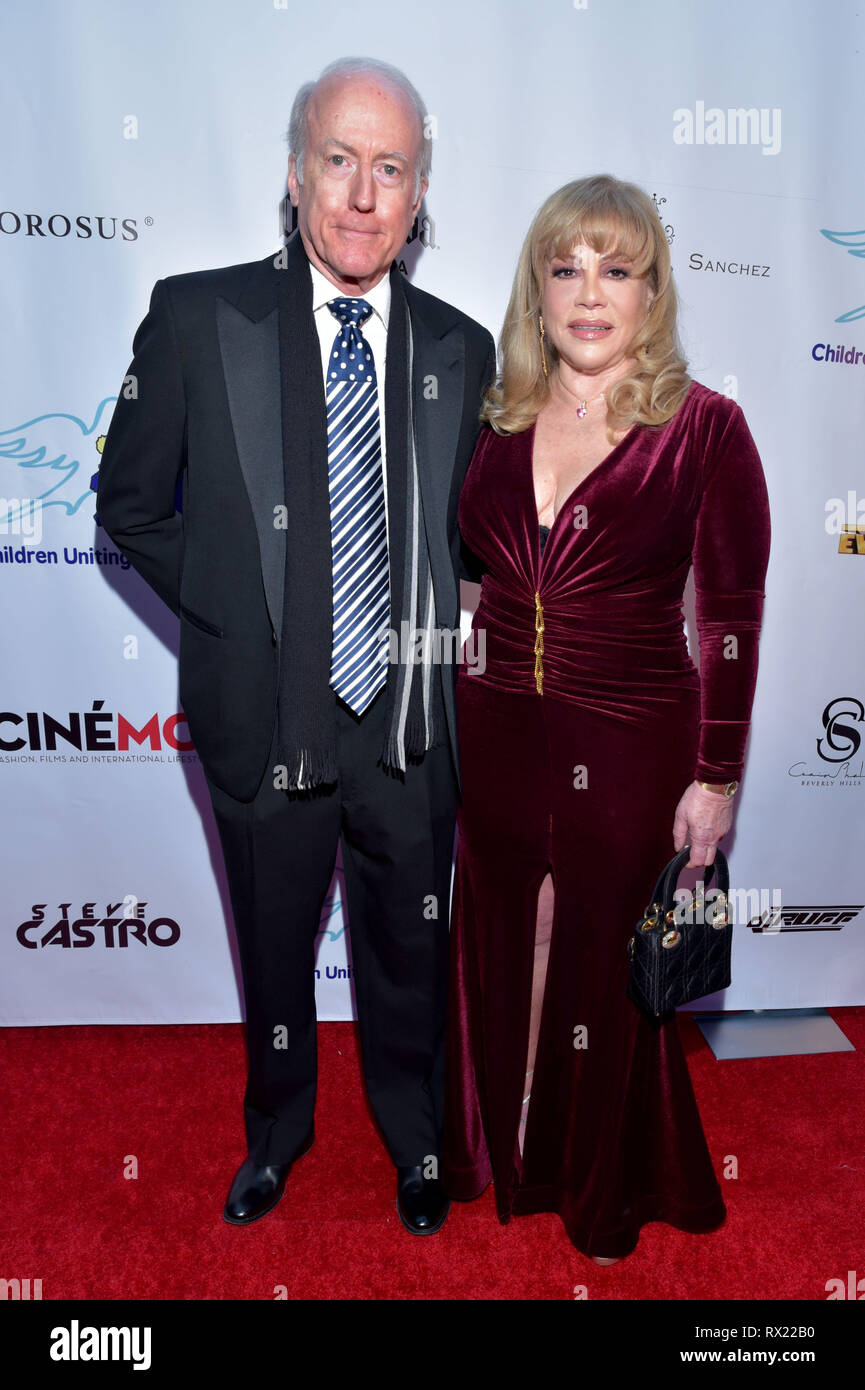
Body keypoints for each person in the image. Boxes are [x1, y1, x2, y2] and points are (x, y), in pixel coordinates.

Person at [96, 56, 495, 1235]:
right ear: (292, 173)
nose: (363, 196)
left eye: (391, 169)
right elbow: (128, 507)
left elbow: (475, 537)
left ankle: (417, 1141)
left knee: (408, 951)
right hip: (265, 713)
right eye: (339, 160)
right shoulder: (194, 314)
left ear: (420, 194)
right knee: (274, 951)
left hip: (413, 721)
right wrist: (236, 614)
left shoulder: (460, 350)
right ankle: (277, 1133)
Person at [441, 174, 771, 1263]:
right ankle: (514, 1147)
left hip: (630, 738)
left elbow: (726, 618)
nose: (590, 292)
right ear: (535, 290)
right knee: (505, 935)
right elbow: (473, 586)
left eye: (616, 269)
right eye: (566, 266)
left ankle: (599, 1173)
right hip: (492, 733)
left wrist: (715, 777)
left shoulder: (705, 430)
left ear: (651, 293)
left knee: (597, 951)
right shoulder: (494, 416)